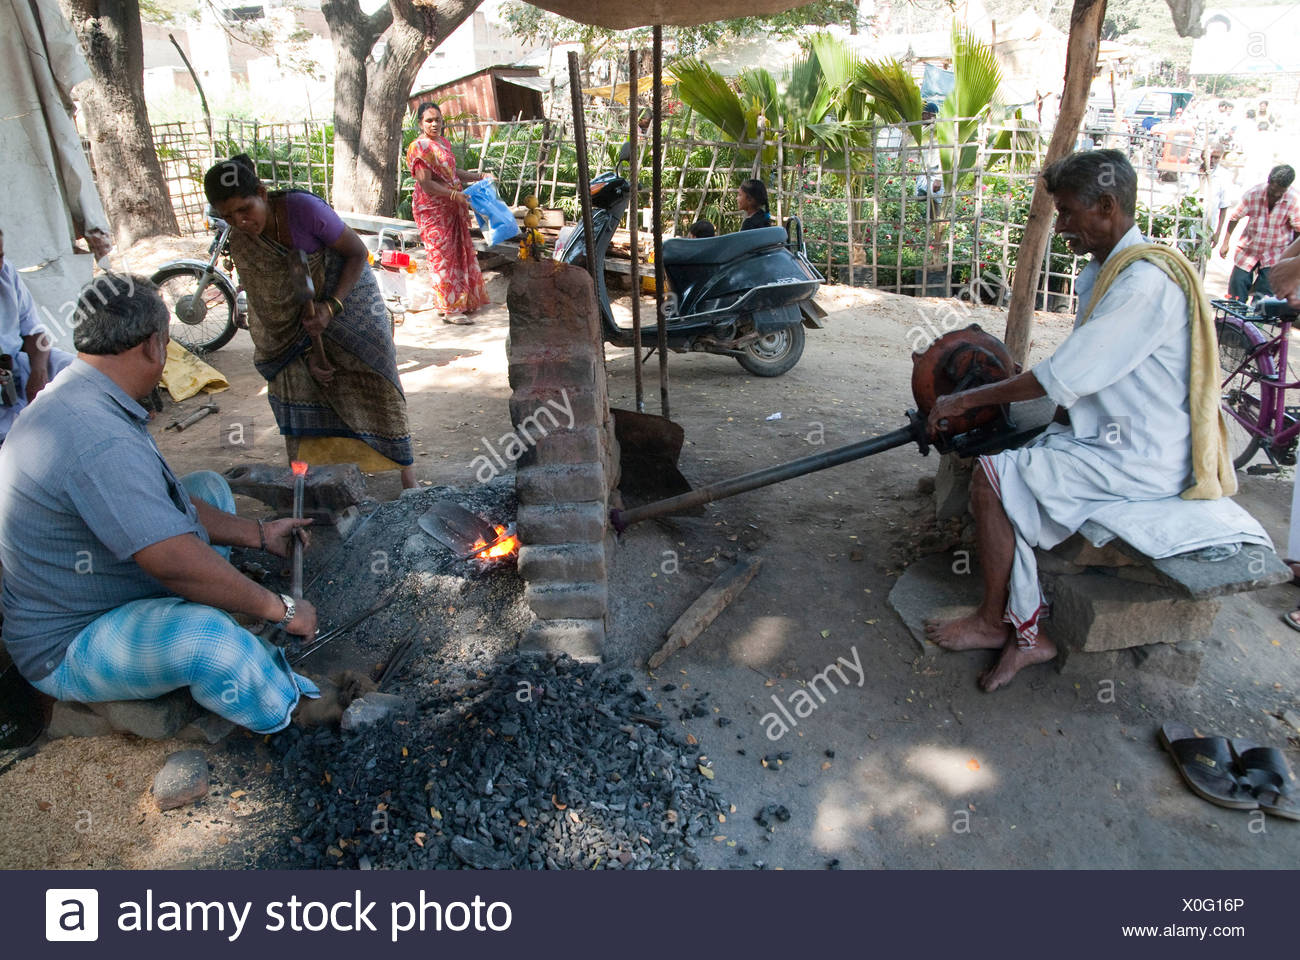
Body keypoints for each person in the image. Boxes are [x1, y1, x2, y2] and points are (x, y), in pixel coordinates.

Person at [923, 150, 1233, 691]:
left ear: (1107, 205)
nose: (1061, 225)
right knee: (1012, 465)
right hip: (1111, 437)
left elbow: (1061, 374)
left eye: (1067, 212)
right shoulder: (1107, 271)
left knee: (991, 479)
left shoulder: (1142, 285)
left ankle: (999, 624)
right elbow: (1088, 373)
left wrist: (964, 401)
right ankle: (1026, 627)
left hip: (1140, 456)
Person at [0, 276, 322, 733]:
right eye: (168, 343)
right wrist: (282, 609)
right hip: (69, 642)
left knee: (207, 488)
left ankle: (210, 601)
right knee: (209, 640)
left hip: (87, 586)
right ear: (153, 345)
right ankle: (291, 710)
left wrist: (261, 533)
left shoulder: (82, 391)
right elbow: (171, 561)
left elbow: (162, 496)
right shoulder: (97, 437)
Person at [203, 155, 416, 489]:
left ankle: (407, 474)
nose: (240, 221)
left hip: (347, 292)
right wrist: (308, 352)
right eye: (228, 216)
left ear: (262, 193)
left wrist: (330, 307)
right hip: (296, 325)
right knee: (295, 381)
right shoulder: (242, 241)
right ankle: (310, 481)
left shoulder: (303, 210)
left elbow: (357, 253)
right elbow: (268, 304)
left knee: (376, 372)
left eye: (245, 209)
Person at [405, 101, 491, 324]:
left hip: (453, 206)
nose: (434, 124)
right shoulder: (418, 147)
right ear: (420, 123)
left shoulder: (443, 143)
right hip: (433, 209)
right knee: (442, 257)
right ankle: (450, 310)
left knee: (458, 253)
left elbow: (453, 172)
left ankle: (460, 302)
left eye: (438, 120)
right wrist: (453, 195)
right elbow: (426, 184)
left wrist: (479, 177)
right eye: (429, 120)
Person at [0, 226, 74, 443]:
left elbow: (34, 331)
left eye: (1, 256)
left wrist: (39, 372)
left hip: (17, 366)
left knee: (76, 371)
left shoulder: (6, 272)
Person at [1218, 164, 1300, 302]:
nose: (1276, 195)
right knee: (1236, 288)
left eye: (1280, 192)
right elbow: (1234, 218)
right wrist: (1225, 243)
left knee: (1264, 297)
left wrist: (1290, 258)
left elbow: (1298, 231)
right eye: (1273, 191)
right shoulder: (1254, 193)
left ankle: (1256, 315)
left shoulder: (1294, 200)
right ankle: (1235, 314)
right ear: (1269, 182)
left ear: (1287, 188)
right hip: (1248, 250)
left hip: (1275, 254)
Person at [1203, 144, 1235, 249]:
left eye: (1216, 157)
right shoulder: (1193, 172)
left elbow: (1224, 207)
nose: (1212, 160)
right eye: (1210, 156)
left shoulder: (1224, 176)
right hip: (1189, 224)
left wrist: (1218, 233)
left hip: (1208, 226)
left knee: (1201, 254)